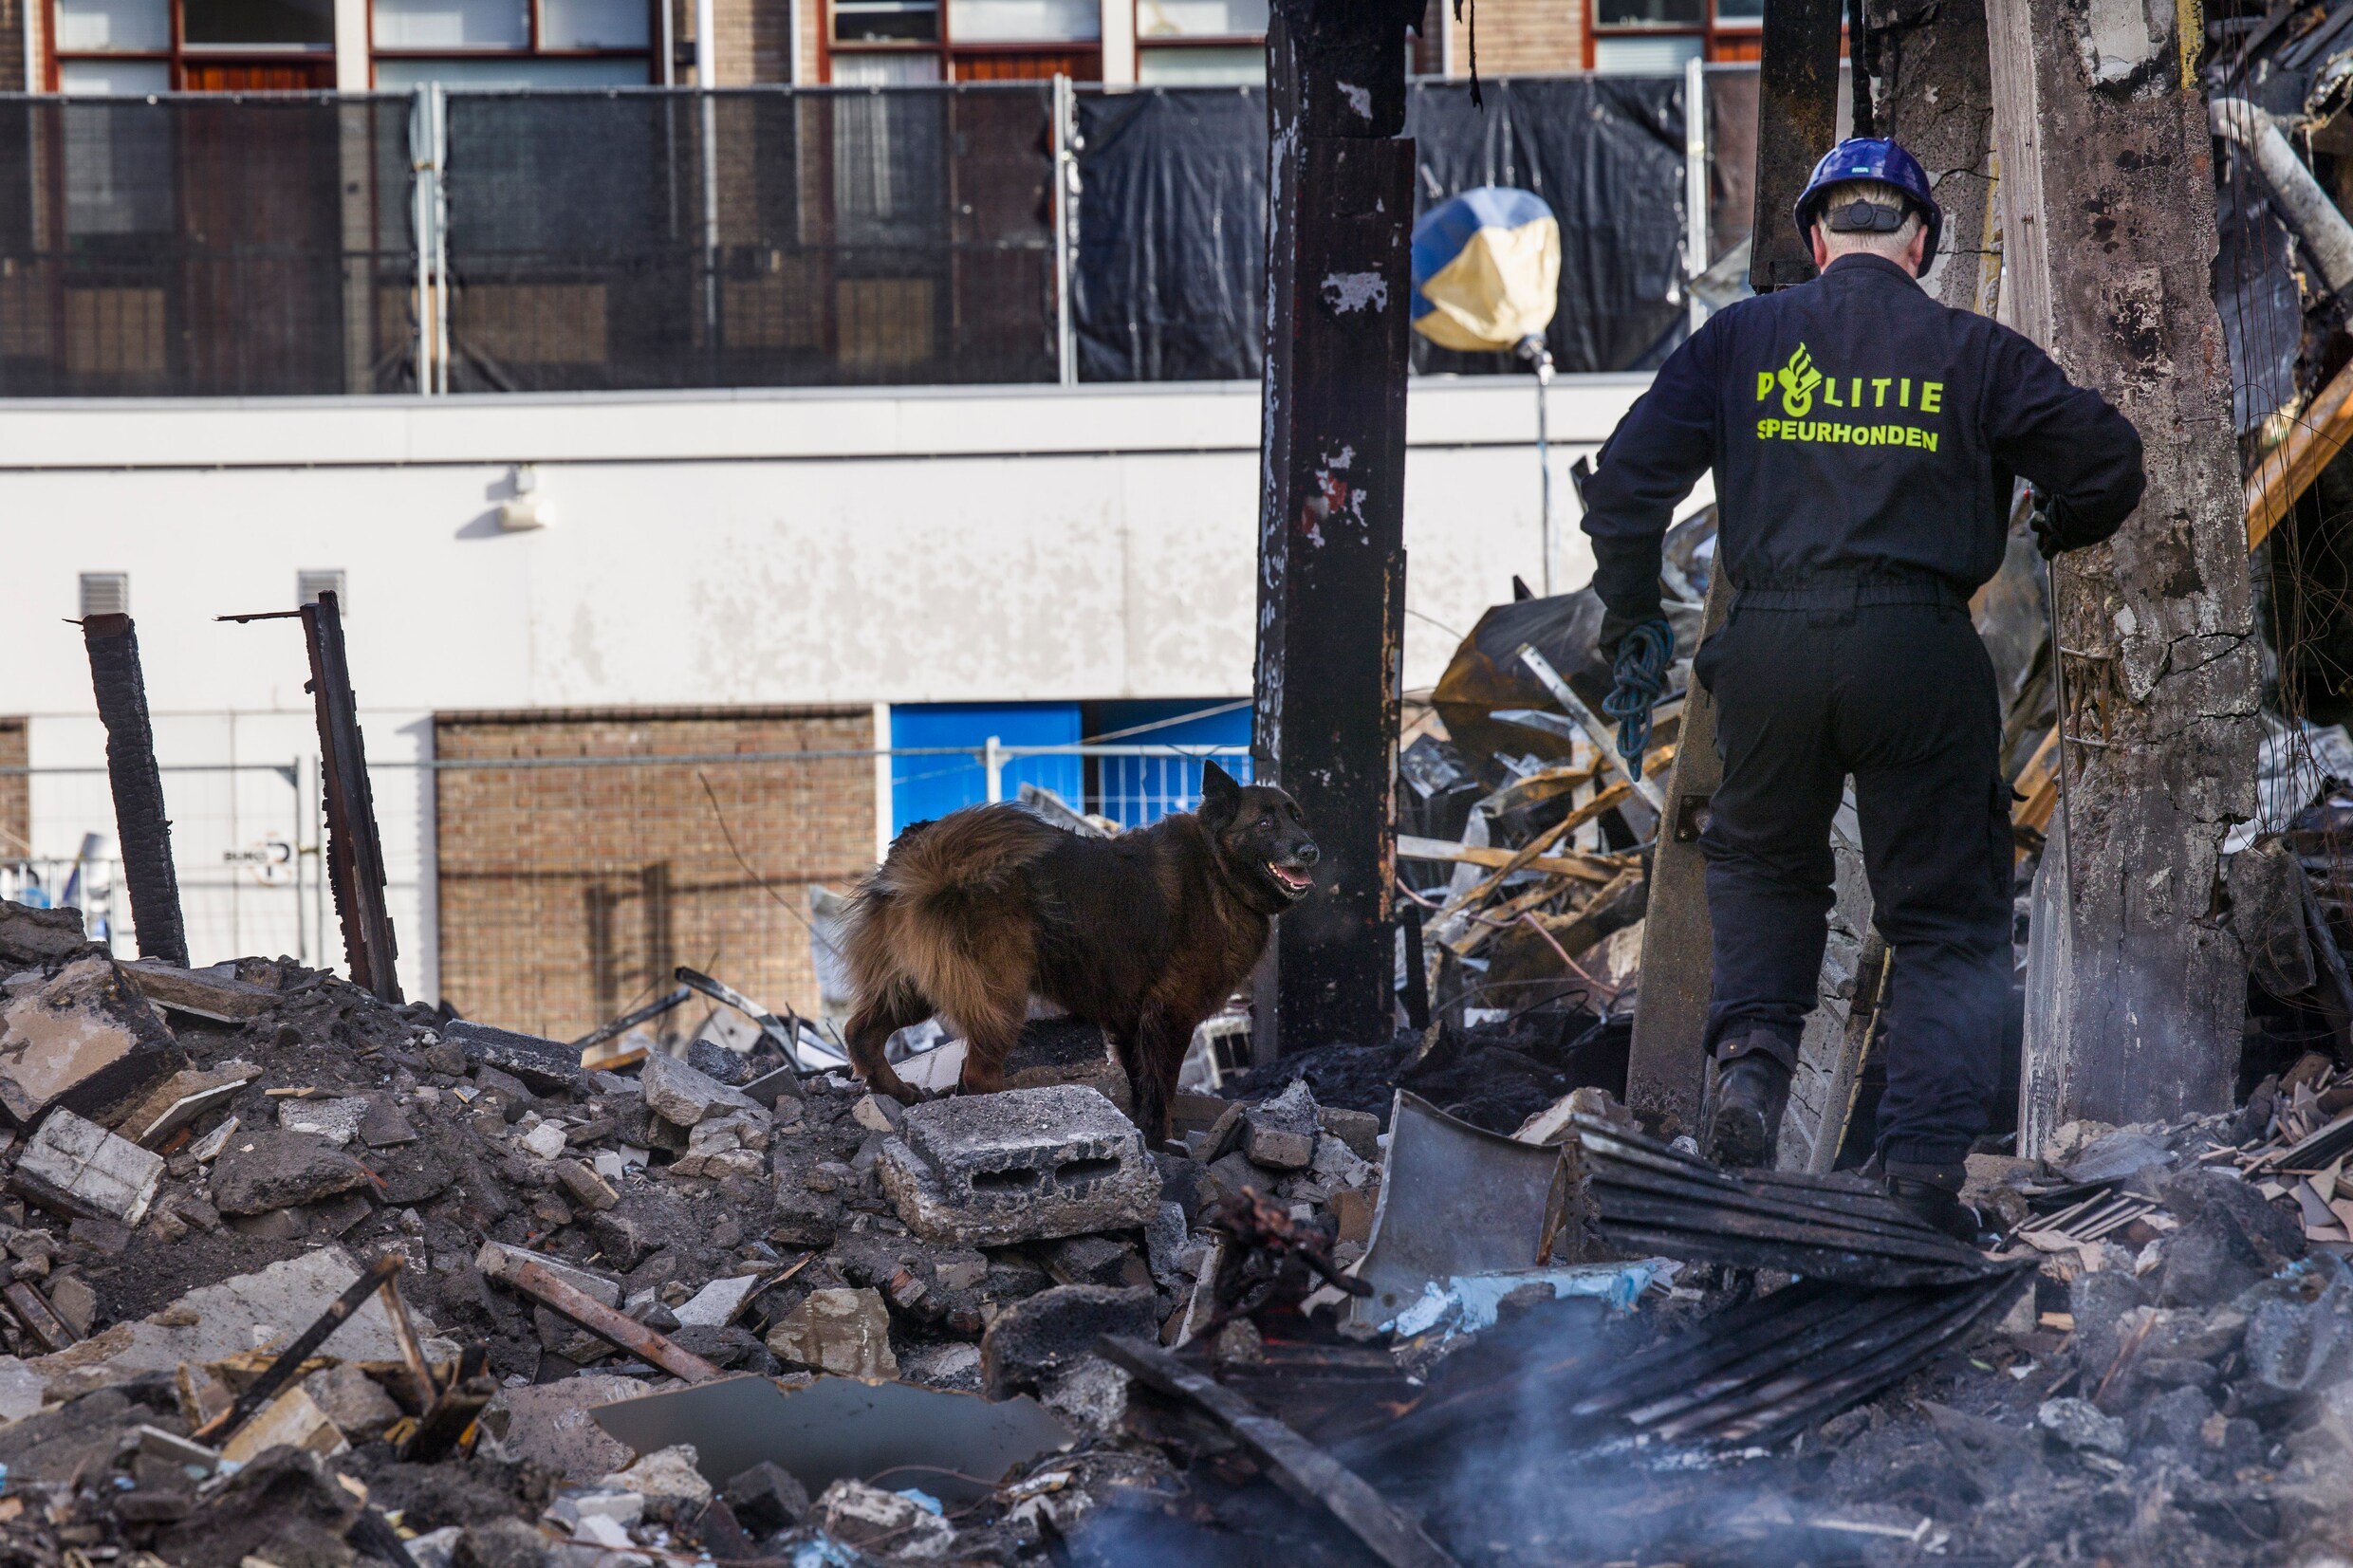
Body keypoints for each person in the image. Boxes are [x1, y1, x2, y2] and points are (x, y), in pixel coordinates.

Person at [1579, 138, 2145, 1237]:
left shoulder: (1738, 339)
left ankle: (1747, 1076)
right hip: (1917, 651)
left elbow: (1623, 487)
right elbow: (2107, 460)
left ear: (1812, 237)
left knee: (1763, 866)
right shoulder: (1973, 351)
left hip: (1772, 649)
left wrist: (1634, 614)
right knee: (1943, 921)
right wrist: (2060, 529)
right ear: (1922, 243)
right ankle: (1918, 1175)